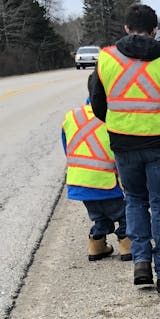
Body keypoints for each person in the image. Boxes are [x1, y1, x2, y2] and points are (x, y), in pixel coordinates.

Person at [89, 3, 160, 293]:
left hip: (124, 143)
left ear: (126, 28)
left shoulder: (106, 58)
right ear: (154, 30)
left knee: (135, 201)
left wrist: (122, 121)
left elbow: (97, 104)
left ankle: (141, 264)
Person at [60, 95, 130, 262]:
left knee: (99, 215)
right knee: (124, 214)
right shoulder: (113, 116)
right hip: (105, 180)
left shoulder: (72, 116)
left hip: (79, 180)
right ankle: (127, 245)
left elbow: (66, 146)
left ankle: (96, 245)